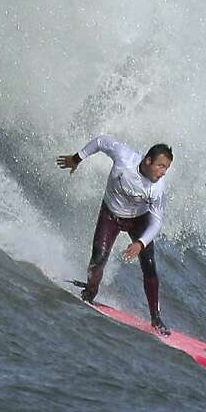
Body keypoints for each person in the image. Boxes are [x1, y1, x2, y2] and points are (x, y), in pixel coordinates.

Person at [57, 136, 174, 336]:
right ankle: (89, 293)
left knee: (150, 265)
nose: (163, 173)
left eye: (166, 169)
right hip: (110, 214)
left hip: (138, 220)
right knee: (98, 257)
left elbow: (156, 222)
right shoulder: (124, 156)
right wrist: (77, 158)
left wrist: (140, 242)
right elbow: (101, 141)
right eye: (161, 166)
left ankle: (155, 317)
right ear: (148, 161)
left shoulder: (158, 188)